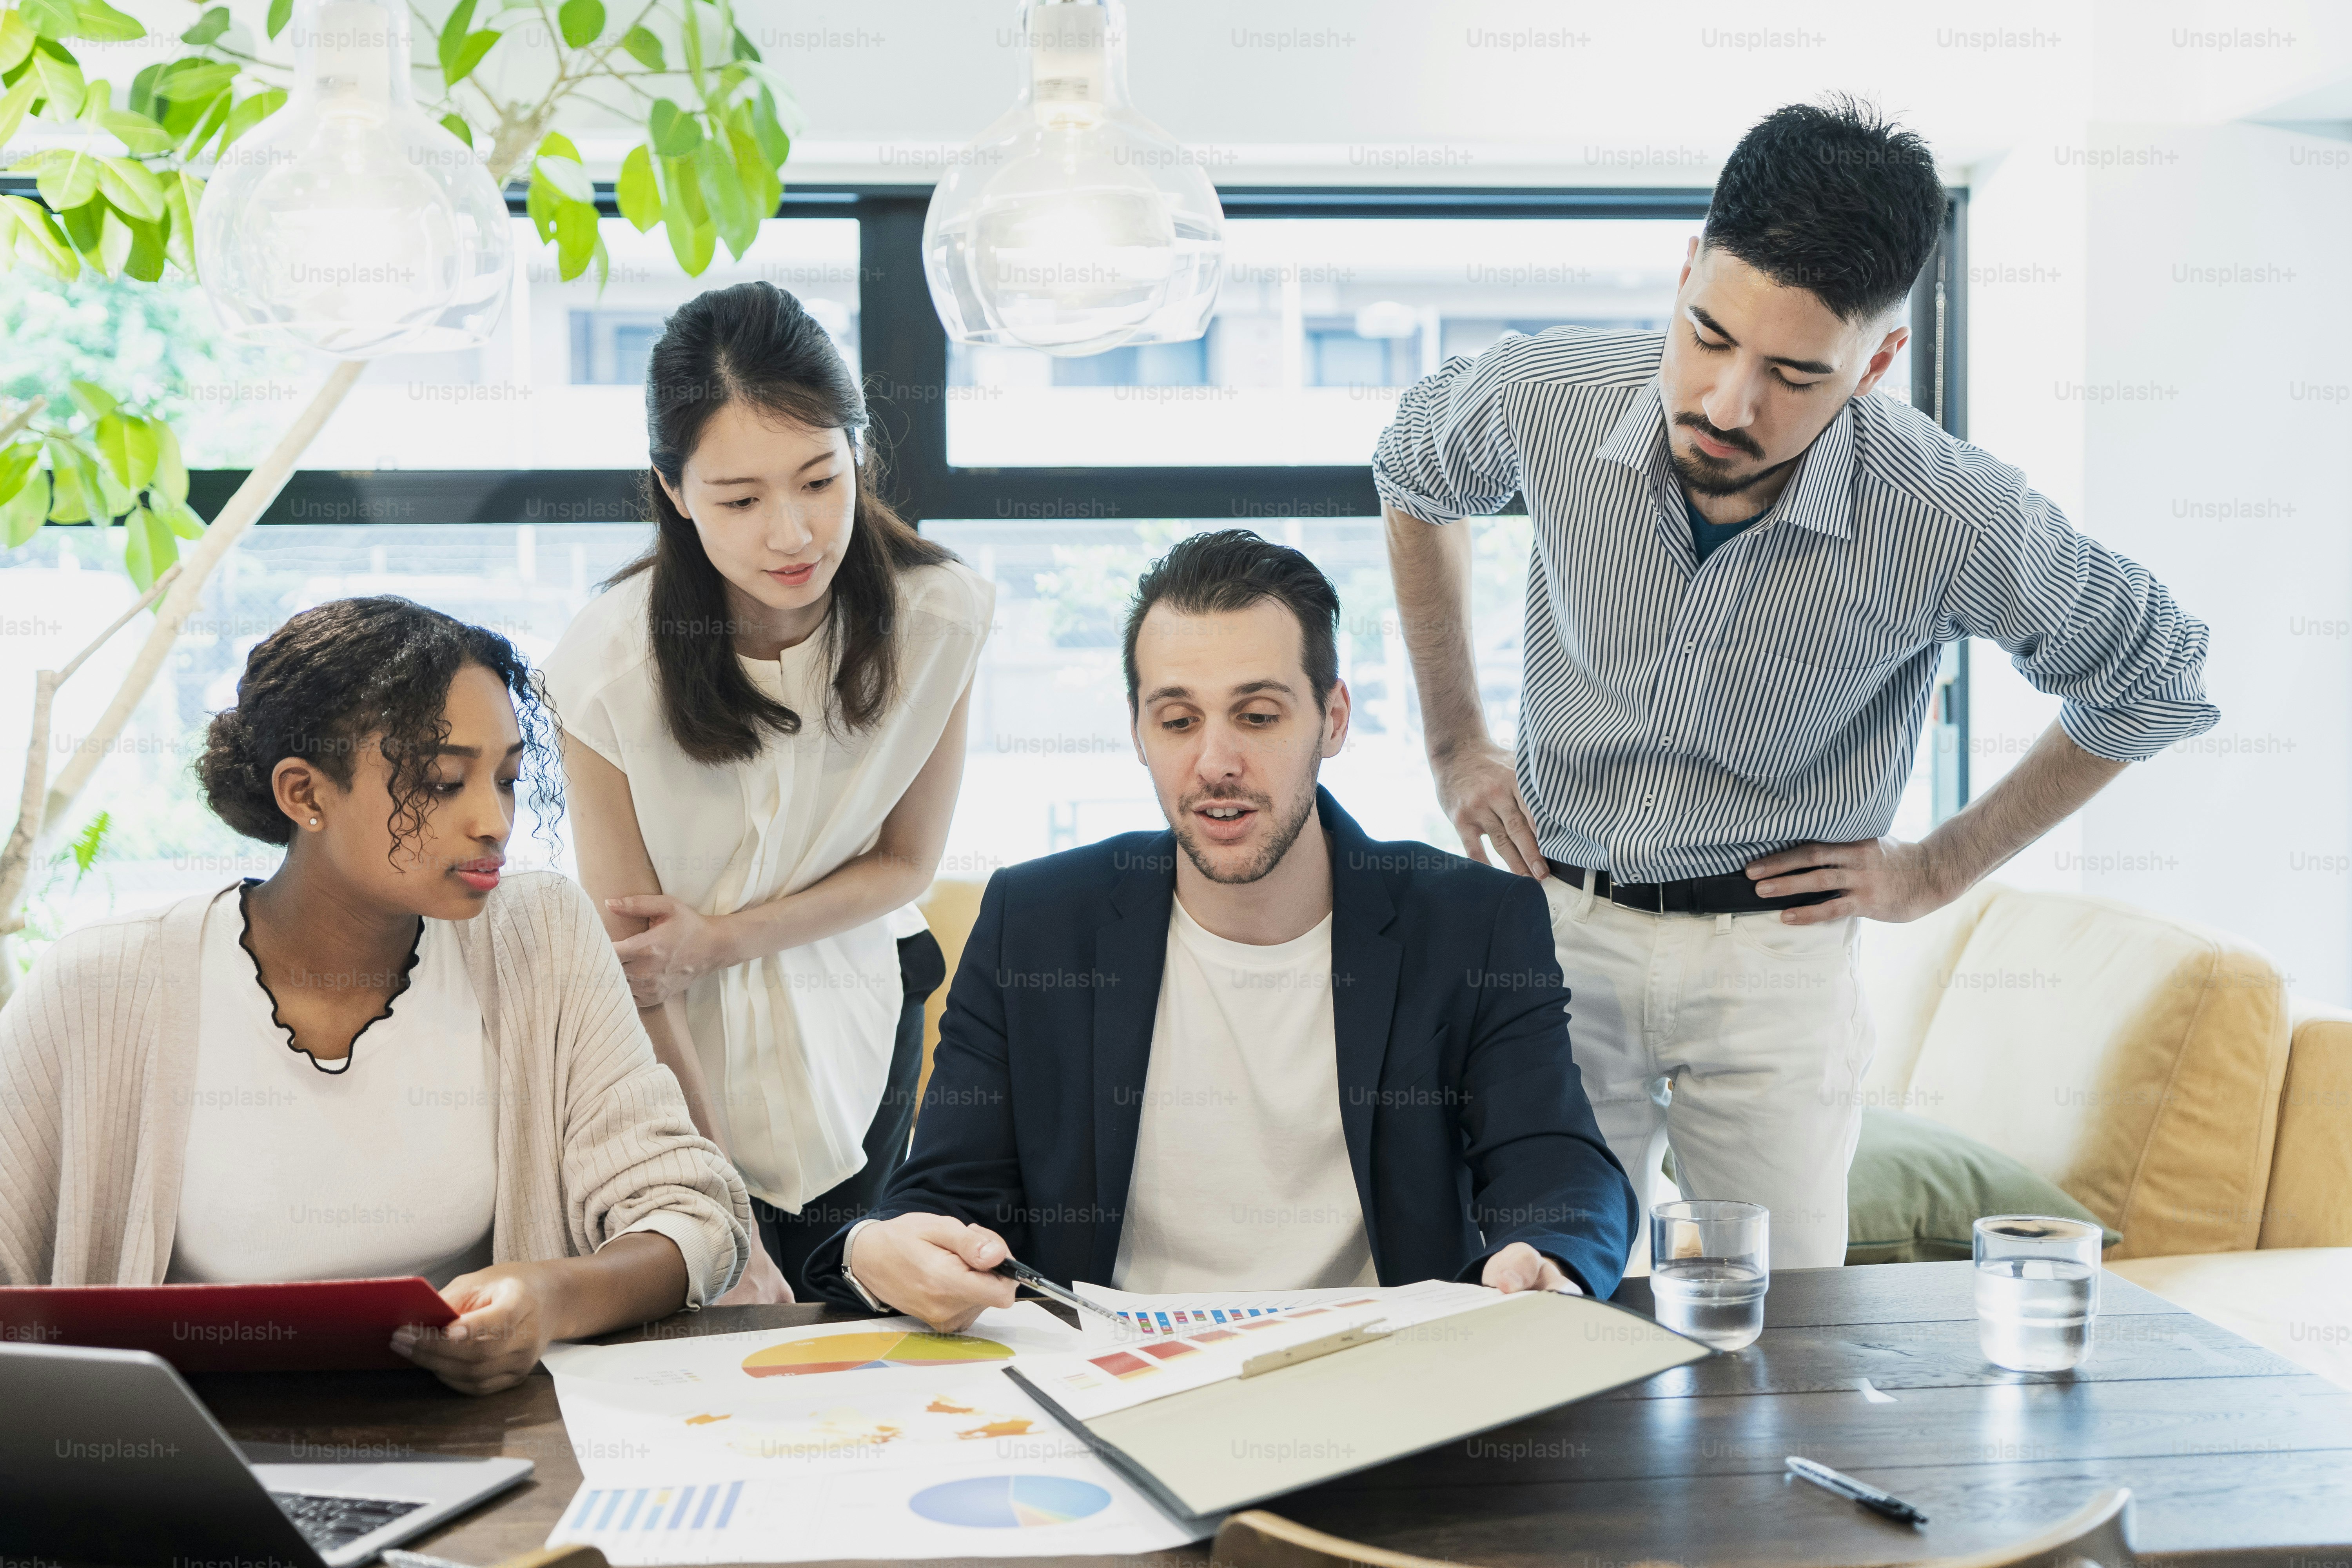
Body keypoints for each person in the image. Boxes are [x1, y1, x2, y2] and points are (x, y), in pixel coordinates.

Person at [1375, 98, 2218, 1270]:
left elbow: (2155, 674)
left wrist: (1935, 871)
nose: (1727, 406)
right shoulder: (1544, 395)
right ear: (1683, 276)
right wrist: (1455, 741)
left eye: (1791, 373)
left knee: (1781, 1339)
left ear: (1875, 360)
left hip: (1776, 964)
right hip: (1556, 928)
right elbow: (1415, 475)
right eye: (1708, 336)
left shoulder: (1949, 512)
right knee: (1535, 1297)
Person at [805, 530, 1638, 1331]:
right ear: (1138, 730)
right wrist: (879, 1249)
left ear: (1334, 718)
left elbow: (1557, 1166)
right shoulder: (1037, 923)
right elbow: (945, 1195)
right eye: (1178, 720)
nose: (1215, 762)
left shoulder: (1471, 923)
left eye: (1259, 715)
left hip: (1389, 1393)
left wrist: (1550, 1255)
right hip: (1115, 1386)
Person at [0, 597, 753, 1394]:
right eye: (442, 782)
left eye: (506, 780)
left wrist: (553, 1296)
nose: (492, 820)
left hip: (490, 1444)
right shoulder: (104, 984)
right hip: (187, 1460)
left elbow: (697, 1215)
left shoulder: (538, 936)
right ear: (305, 794)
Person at [544, 281, 993, 1305]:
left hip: (867, 1023)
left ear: (856, 452)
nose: (792, 534)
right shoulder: (606, 668)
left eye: (819, 480)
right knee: (714, 1338)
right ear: (673, 490)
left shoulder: (942, 619)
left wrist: (722, 938)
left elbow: (906, 866)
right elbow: (640, 969)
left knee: (865, 1333)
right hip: (677, 1066)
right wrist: (713, 1209)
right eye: (740, 501)